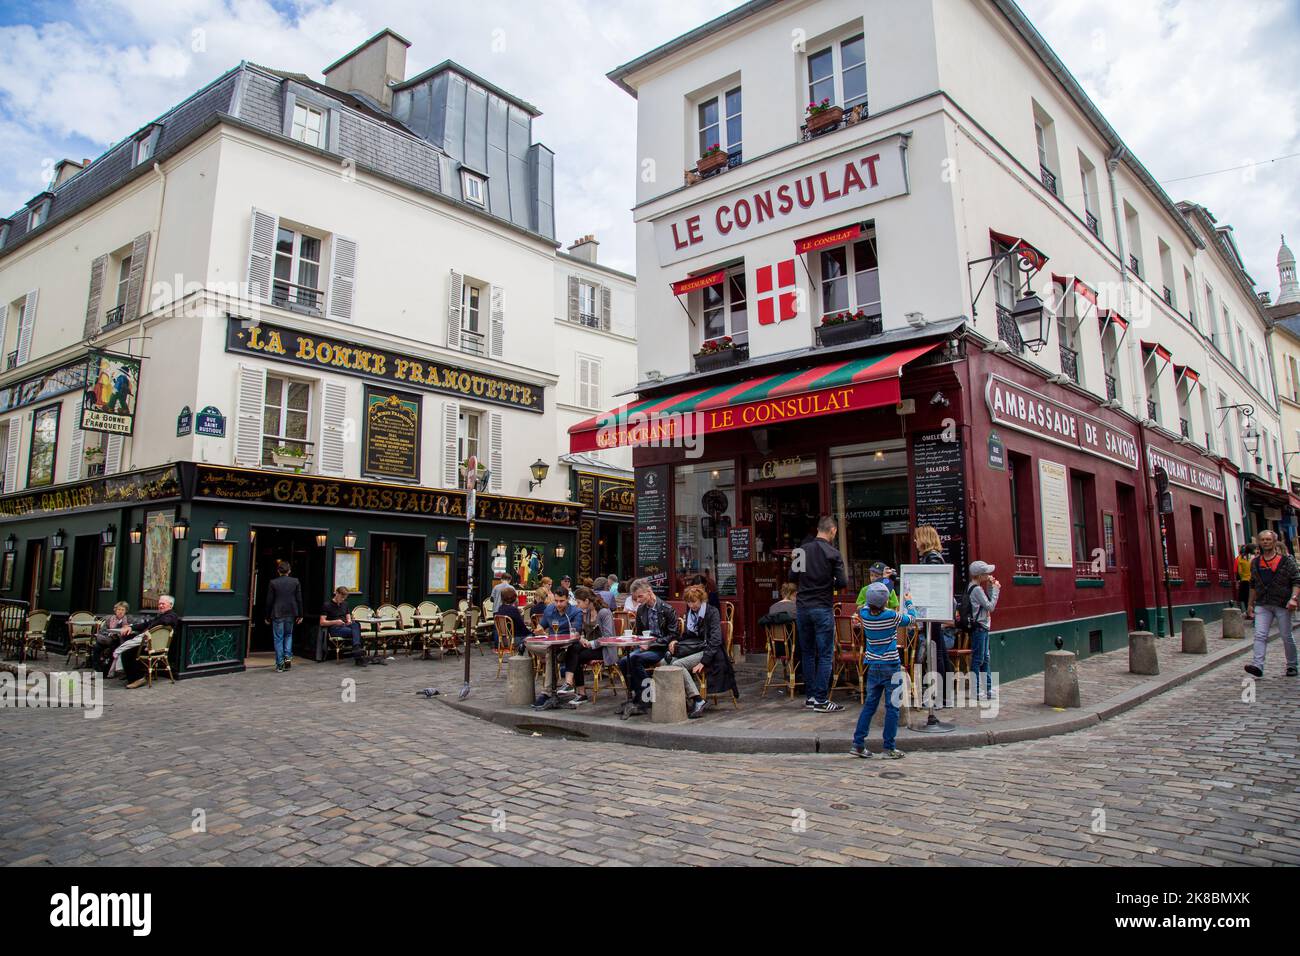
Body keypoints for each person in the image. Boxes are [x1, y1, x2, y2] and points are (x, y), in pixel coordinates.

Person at [850, 582, 917, 759]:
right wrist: (909, 602)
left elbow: (863, 606)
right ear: (886, 600)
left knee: (869, 705)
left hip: (873, 665)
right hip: (891, 665)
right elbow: (912, 618)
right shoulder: (891, 616)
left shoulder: (864, 614)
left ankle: (858, 743)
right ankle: (889, 747)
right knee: (892, 707)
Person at [790, 515, 848, 713]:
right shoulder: (833, 553)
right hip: (822, 606)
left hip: (803, 607)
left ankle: (811, 696)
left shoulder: (802, 550)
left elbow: (791, 578)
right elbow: (842, 582)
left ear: (818, 529)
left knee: (807, 653)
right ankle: (822, 699)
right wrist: (827, 582)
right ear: (832, 530)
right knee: (824, 654)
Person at [663, 585, 733, 719]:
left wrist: (703, 661)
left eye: (694, 601)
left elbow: (716, 640)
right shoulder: (690, 613)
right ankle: (681, 700)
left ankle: (697, 700)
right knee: (666, 661)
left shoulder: (712, 612)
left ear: (701, 600)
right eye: (689, 602)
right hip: (695, 648)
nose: (691, 605)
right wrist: (676, 641)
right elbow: (688, 635)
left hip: (710, 651)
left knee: (678, 665)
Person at [620, 578, 679, 718]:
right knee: (623, 661)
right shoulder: (641, 610)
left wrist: (651, 644)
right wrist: (636, 640)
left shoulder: (667, 609)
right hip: (646, 647)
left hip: (661, 648)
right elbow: (640, 633)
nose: (638, 600)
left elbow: (673, 634)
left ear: (650, 592)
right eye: (636, 598)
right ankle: (638, 694)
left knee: (635, 659)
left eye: (640, 596)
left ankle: (646, 698)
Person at [1245, 530, 1300, 678]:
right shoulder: (1255, 562)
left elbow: (1296, 580)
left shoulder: (1286, 561)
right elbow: (1253, 584)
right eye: (1262, 539)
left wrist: (1294, 598)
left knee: (1285, 635)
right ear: (1259, 542)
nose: (1265, 542)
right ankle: (1257, 665)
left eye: (1268, 539)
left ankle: (1292, 665)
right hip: (1263, 603)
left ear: (1274, 542)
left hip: (1282, 603)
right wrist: (1250, 604)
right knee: (1260, 635)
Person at [556, 586, 616, 703]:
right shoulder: (587, 612)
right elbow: (585, 633)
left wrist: (591, 643)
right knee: (574, 649)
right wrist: (582, 638)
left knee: (574, 655)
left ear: (587, 601)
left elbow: (609, 638)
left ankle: (579, 691)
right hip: (591, 647)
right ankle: (574, 688)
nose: (577, 605)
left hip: (605, 649)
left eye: (578, 602)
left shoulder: (604, 613)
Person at [915, 525, 952, 707]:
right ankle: (945, 694)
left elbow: (930, 582)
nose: (915, 541)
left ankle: (940, 695)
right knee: (939, 650)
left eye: (917, 538)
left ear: (924, 539)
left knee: (936, 651)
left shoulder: (932, 558)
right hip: (934, 609)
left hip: (933, 609)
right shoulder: (932, 557)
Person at [118, 594, 182, 689]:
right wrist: (131, 627)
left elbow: (164, 622)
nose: (160, 606)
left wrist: (148, 628)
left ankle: (138, 678)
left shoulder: (171, 616)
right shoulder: (162, 615)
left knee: (127, 652)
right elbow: (146, 624)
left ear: (170, 605)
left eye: (163, 604)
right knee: (127, 643)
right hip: (150, 644)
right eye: (159, 604)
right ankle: (129, 673)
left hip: (155, 647)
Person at [965, 561, 1001, 700]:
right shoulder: (977, 589)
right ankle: (977, 690)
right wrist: (996, 589)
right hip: (980, 627)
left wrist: (991, 587)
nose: (989, 575)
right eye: (986, 573)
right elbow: (990, 606)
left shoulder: (974, 587)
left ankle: (988, 688)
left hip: (982, 626)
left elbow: (986, 603)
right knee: (979, 659)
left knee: (985, 658)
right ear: (980, 575)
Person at [265, 559, 303, 672]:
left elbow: (269, 601)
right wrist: (300, 614)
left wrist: (267, 616)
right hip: (291, 612)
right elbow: (299, 599)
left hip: (277, 612)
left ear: (278, 571)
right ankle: (287, 658)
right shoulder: (295, 582)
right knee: (288, 635)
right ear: (289, 571)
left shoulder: (273, 582)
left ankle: (280, 664)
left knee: (278, 638)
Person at [320, 586, 371, 667]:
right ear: (336, 593)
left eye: (344, 598)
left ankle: (356, 649)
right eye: (341, 597)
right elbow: (322, 622)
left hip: (345, 626)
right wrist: (335, 621)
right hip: (335, 629)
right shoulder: (327, 605)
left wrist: (349, 621)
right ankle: (357, 651)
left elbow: (348, 617)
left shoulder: (345, 604)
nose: (343, 599)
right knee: (356, 633)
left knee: (356, 624)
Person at [90, 602, 133, 674]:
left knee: (113, 647)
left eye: (123, 610)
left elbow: (132, 629)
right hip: (108, 639)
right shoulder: (109, 618)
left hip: (121, 640)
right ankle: (97, 669)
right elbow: (102, 631)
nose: (120, 611)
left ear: (126, 611)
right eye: (119, 609)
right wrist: (110, 634)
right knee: (97, 647)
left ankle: (107, 671)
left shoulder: (129, 619)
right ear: (115, 610)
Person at [493, 586, 529, 654]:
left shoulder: (500, 608)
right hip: (514, 640)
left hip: (503, 640)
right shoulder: (513, 610)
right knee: (532, 636)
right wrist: (531, 632)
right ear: (514, 598)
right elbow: (522, 628)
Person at [1237, 545, 1255, 618]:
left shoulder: (1240, 558)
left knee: (1245, 598)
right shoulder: (1253, 557)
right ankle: (1253, 612)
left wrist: (1243, 577)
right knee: (1253, 597)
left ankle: (1248, 613)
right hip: (1252, 579)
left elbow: (1240, 571)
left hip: (1244, 580)